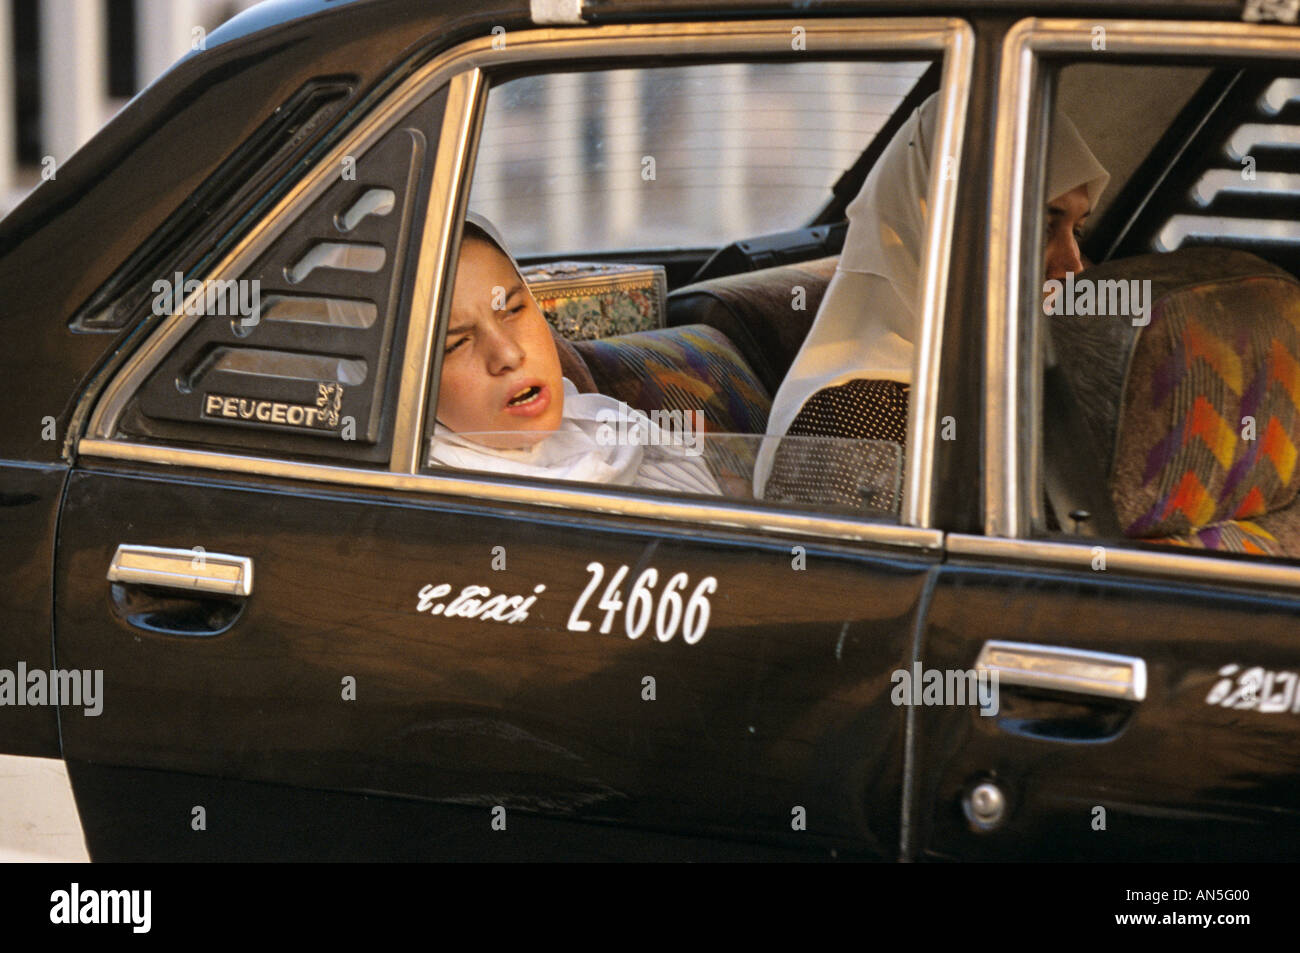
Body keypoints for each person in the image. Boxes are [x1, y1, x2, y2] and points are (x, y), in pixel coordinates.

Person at [754, 92, 1109, 507]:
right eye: (1041, 227)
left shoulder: (1018, 379)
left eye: (1077, 232)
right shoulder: (857, 415)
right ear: (941, 226)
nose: (1073, 265)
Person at [428, 213, 722, 496]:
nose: (508, 354)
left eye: (514, 309)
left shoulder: (611, 429)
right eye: (456, 344)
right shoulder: (436, 504)